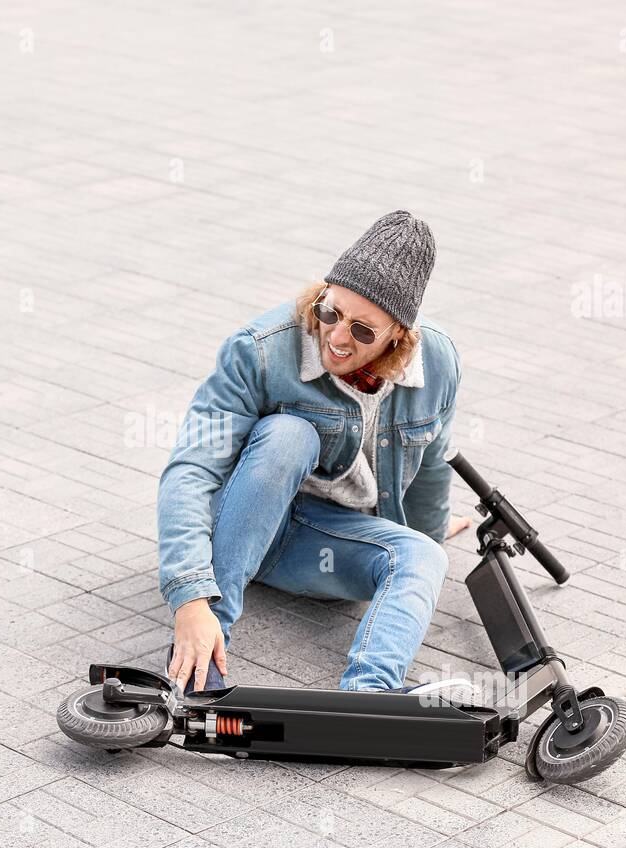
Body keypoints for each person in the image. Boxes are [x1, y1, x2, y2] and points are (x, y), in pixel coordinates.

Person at [157, 211, 469, 695]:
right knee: (289, 435)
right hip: (240, 535)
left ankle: (368, 700)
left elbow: (431, 468)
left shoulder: (437, 364)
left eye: (363, 330)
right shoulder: (260, 350)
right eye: (330, 312)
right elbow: (191, 470)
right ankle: (200, 666)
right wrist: (191, 599)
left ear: (398, 336)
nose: (338, 336)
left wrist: (422, 533)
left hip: (320, 546)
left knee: (426, 556)